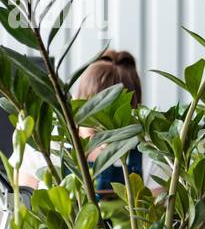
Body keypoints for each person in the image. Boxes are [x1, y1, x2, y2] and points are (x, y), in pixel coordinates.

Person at [17, 49, 145, 194]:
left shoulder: (146, 151)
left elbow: (157, 212)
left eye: (114, 108)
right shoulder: (47, 143)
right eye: (97, 104)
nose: (103, 117)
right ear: (80, 100)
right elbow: (23, 203)